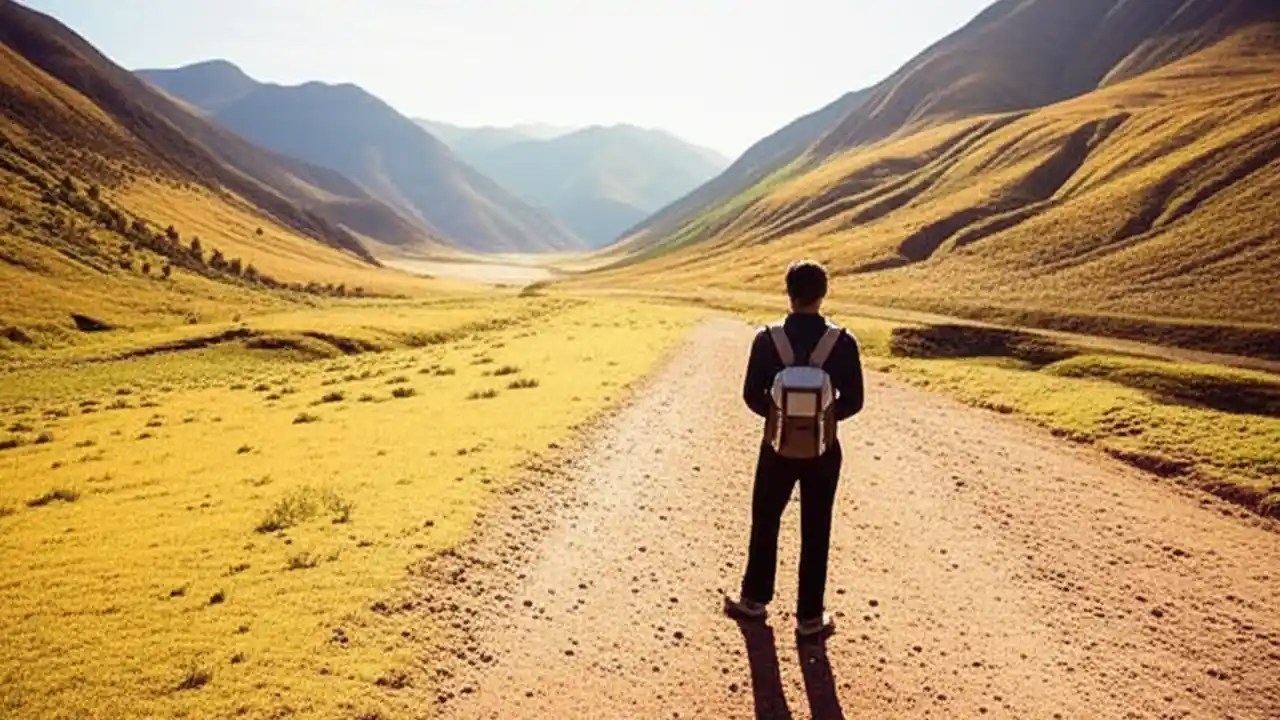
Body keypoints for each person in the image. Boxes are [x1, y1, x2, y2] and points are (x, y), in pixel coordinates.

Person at [726, 260, 865, 639]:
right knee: (816, 527)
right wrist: (820, 423)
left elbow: (751, 396)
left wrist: (780, 421)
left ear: (789, 293)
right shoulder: (843, 342)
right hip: (824, 451)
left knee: (766, 520)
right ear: (823, 293)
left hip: (776, 449)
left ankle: (754, 600)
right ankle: (809, 619)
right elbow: (854, 400)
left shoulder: (767, 339)